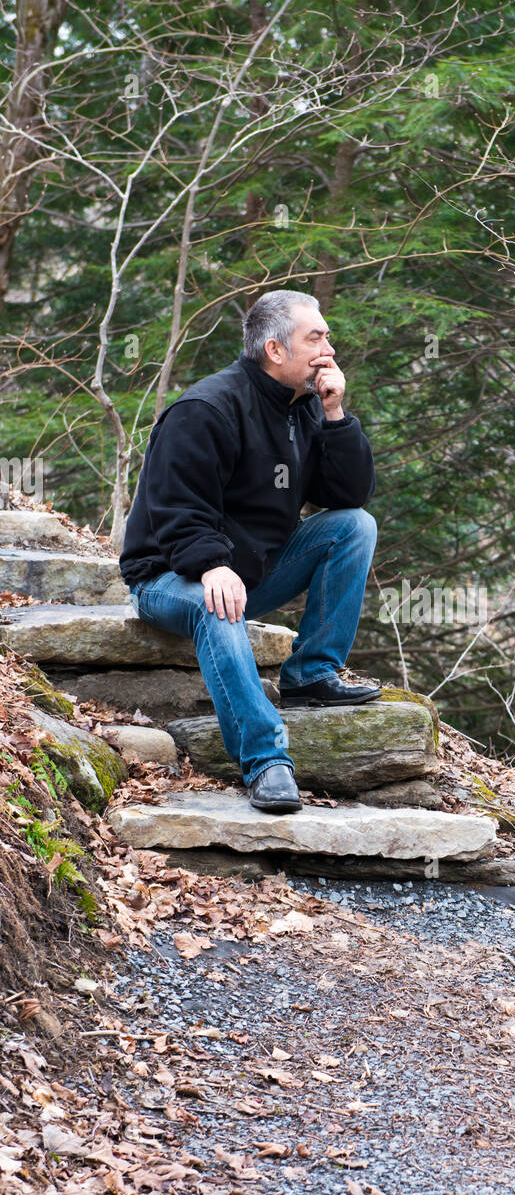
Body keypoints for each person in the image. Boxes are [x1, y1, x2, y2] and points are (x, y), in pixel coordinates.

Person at [119, 289, 379, 813]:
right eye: (316, 337)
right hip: (167, 577)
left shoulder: (302, 405)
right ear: (276, 350)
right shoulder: (205, 409)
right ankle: (266, 761)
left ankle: (311, 674)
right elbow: (176, 508)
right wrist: (211, 565)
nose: (329, 347)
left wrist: (334, 414)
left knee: (354, 526)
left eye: (326, 335)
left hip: (251, 570)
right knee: (217, 606)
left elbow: (345, 496)